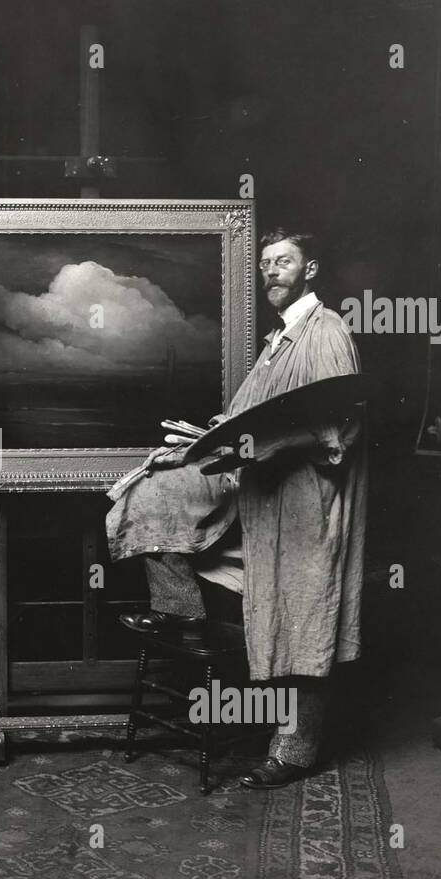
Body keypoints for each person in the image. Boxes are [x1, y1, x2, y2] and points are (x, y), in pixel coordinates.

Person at [107, 228, 366, 789]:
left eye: (285, 262)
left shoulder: (327, 333)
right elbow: (248, 416)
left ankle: (295, 749)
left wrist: (260, 446)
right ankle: (182, 610)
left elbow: (337, 428)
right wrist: (204, 440)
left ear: (310, 268)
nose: (272, 271)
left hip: (303, 498)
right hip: (258, 485)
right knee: (150, 491)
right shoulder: (280, 340)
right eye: (266, 263)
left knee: (303, 613)